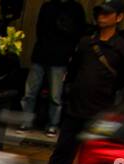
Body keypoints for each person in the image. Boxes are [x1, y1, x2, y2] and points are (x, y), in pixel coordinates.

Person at [39, 0, 124, 164]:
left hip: (101, 110)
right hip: (76, 106)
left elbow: (123, 79)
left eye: (107, 13)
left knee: (94, 159)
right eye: (99, 13)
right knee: (62, 152)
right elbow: (73, 71)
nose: (102, 17)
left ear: (119, 17)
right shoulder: (86, 42)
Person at [20, 0, 86, 134]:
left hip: (60, 57)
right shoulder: (47, 6)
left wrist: (68, 51)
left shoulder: (75, 8)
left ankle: (53, 124)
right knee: (29, 92)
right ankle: (25, 121)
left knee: (55, 95)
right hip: (41, 54)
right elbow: (39, 29)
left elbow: (79, 32)